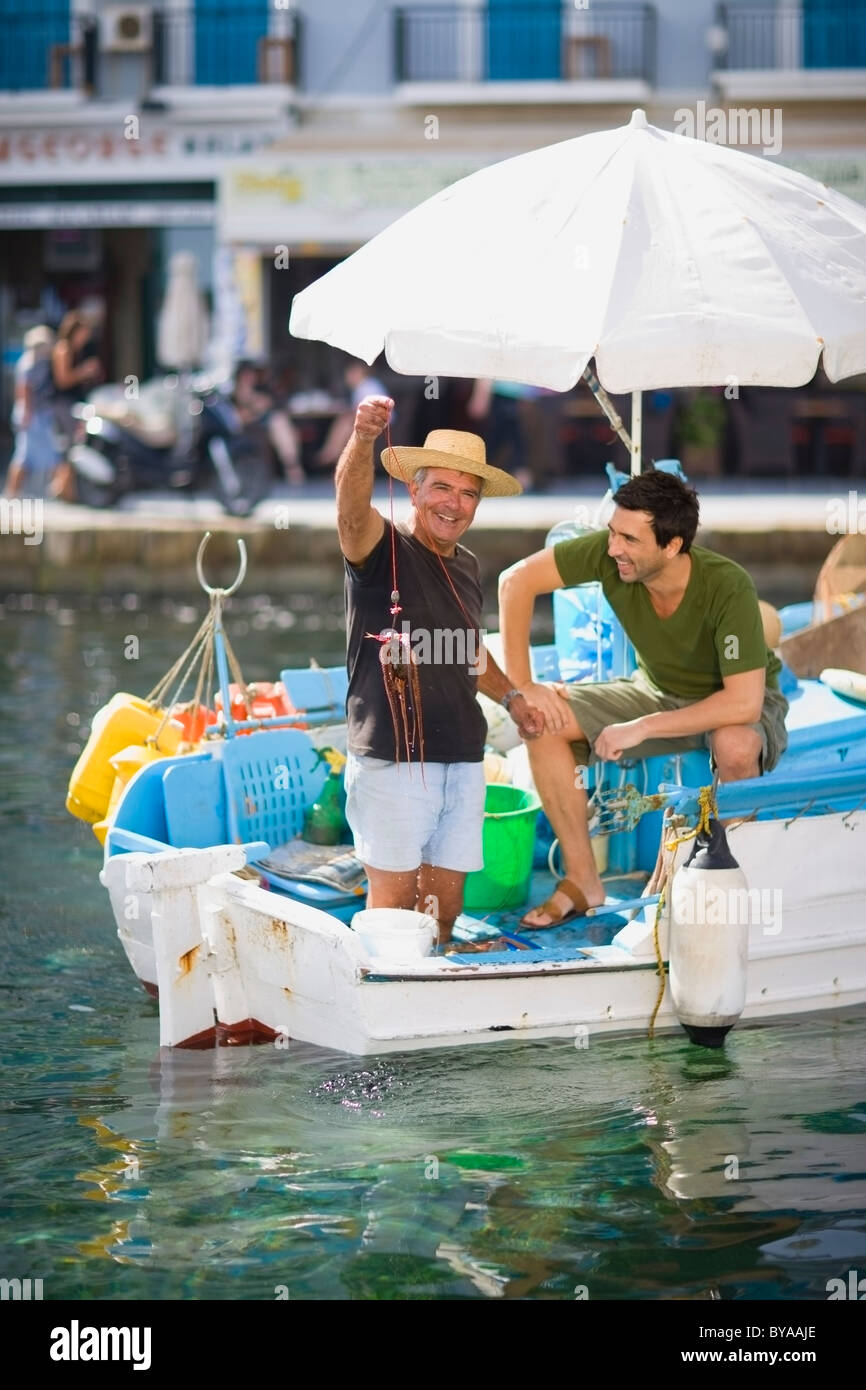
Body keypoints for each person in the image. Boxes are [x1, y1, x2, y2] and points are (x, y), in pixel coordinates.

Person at [497, 468, 789, 928]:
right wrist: (523, 688)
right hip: (656, 690)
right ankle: (582, 881)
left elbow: (743, 704)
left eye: (630, 539)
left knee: (734, 745)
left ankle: (728, 882)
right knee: (538, 720)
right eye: (613, 532)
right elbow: (515, 581)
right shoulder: (608, 553)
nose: (614, 548)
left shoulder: (727, 585)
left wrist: (641, 728)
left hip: (732, 700)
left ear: (672, 546)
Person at [338, 395, 543, 949]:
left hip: (462, 758)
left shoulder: (468, 564)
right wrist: (363, 438)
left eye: (468, 493)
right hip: (394, 761)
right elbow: (351, 511)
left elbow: (469, 650)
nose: (454, 504)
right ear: (414, 490)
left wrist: (513, 699)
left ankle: (439, 975)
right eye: (442, 488)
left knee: (444, 912)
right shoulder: (379, 548)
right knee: (393, 914)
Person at [49, 310, 104, 499]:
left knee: (75, 444)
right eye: (84, 332)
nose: (86, 336)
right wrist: (84, 371)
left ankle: (66, 489)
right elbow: (62, 380)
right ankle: (61, 488)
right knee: (70, 444)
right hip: (64, 403)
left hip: (74, 402)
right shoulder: (63, 349)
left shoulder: (79, 350)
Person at [3, 327, 60, 500]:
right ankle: (12, 491)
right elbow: (23, 390)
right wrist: (27, 414)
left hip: (38, 414)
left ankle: (51, 491)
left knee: (42, 454)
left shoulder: (40, 361)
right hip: (31, 416)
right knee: (25, 455)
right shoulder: (28, 363)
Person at [232, 361, 304, 485]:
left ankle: (292, 466)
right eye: (246, 375)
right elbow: (237, 419)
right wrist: (254, 407)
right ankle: (292, 468)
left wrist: (257, 404)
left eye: (251, 374)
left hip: (265, 427)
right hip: (243, 431)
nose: (249, 377)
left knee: (280, 422)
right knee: (279, 424)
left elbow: (270, 405)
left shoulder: (262, 390)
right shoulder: (232, 395)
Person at [316, 359, 391, 467]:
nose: (347, 378)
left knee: (345, 422)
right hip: (376, 421)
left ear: (358, 373)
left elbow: (362, 410)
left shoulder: (367, 386)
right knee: (346, 422)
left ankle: (331, 454)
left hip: (381, 423)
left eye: (349, 374)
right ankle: (332, 454)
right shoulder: (366, 385)